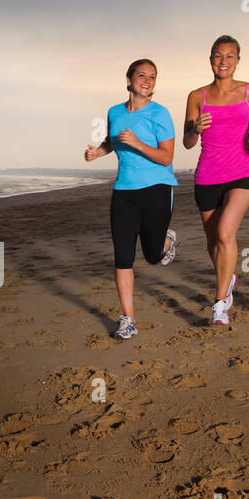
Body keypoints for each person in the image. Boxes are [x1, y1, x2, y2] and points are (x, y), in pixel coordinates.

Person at [84, 58, 178, 339]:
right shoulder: (114, 111)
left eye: (152, 76)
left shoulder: (160, 114)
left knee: (152, 256)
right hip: (123, 192)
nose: (147, 80)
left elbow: (167, 157)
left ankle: (166, 240)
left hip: (157, 188)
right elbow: (114, 141)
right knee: (123, 257)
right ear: (129, 80)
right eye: (141, 75)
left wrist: (138, 142)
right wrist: (97, 153)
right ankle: (128, 320)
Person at [182, 35, 249, 325]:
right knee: (213, 243)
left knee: (224, 232)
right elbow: (187, 142)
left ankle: (220, 303)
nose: (223, 61)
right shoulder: (197, 96)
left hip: (243, 172)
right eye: (218, 56)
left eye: (229, 56)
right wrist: (195, 128)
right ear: (210, 60)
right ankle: (228, 277)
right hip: (208, 175)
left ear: (238, 60)